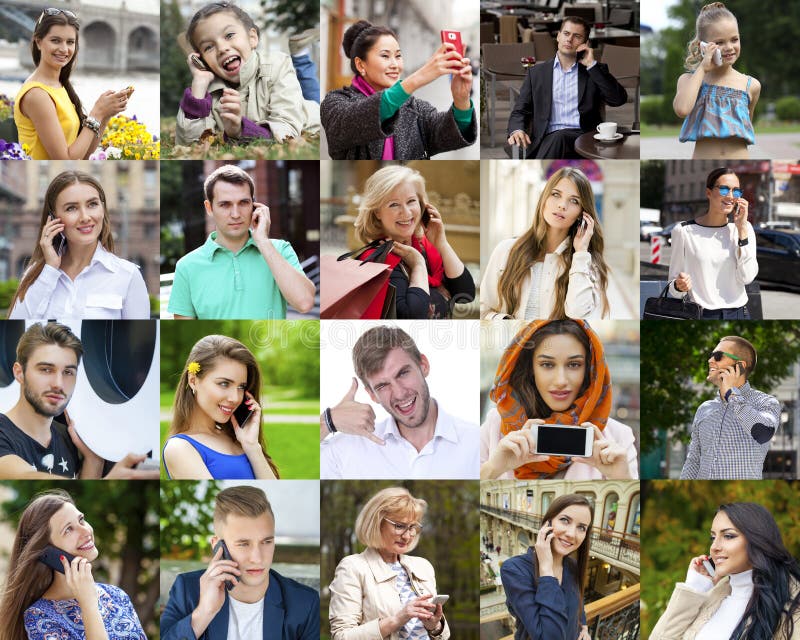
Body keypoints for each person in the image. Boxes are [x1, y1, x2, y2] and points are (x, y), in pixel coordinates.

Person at [480, 320, 638, 480]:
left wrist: (622, 479)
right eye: (547, 364)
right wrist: (493, 469)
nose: (561, 380)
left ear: (589, 369)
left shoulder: (617, 437)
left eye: (574, 364)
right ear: (531, 368)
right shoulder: (495, 426)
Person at [0, 322, 158, 480]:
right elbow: (23, 475)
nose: (58, 384)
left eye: (68, 372)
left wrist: (93, 460)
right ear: (19, 373)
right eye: (46, 370)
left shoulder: (68, 437)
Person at [161, 485, 319, 640]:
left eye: (266, 542)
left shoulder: (304, 604)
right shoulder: (187, 590)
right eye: (243, 544)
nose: (257, 558)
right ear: (218, 546)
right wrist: (204, 612)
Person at [320, 325, 479, 479]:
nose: (400, 393)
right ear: (372, 394)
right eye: (383, 385)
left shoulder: (475, 442)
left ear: (423, 365)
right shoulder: (348, 450)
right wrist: (327, 421)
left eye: (403, 373)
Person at [167, 164, 315, 319]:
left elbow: (304, 303)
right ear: (209, 208)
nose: (236, 214)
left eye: (243, 203)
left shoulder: (280, 249)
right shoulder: (187, 267)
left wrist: (263, 242)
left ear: (254, 206)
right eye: (225, 205)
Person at [0, 489, 146, 640]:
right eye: (68, 529)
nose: (86, 531)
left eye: (81, 520)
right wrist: (88, 604)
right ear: (48, 553)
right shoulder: (40, 617)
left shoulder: (116, 595)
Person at [321, 20, 477, 159]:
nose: (395, 65)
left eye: (398, 56)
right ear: (361, 65)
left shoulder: (415, 108)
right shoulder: (335, 103)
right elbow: (354, 120)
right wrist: (418, 77)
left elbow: (449, 135)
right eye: (385, 56)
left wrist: (461, 99)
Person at [8, 170, 150, 320]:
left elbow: (138, 335)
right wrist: (50, 269)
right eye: (71, 208)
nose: (85, 217)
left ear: (102, 209)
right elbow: (17, 327)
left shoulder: (128, 275)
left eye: (92, 204)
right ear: (54, 218)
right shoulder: (35, 273)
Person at [176, 2, 320, 146]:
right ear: (202, 60)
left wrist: (240, 130)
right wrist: (199, 84)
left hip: (310, 116)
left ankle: (300, 55)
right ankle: (299, 53)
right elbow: (191, 144)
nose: (222, 48)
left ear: (252, 38)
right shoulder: (207, 93)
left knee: (312, 97)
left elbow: (288, 131)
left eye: (229, 35)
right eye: (208, 47)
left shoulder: (277, 64)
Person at [651, 502, 800, 640]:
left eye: (728, 536)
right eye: (713, 537)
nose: (714, 547)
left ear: (758, 540)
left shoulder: (792, 606)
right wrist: (695, 586)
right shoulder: (714, 596)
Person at [481, 166, 610, 320]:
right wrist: (506, 322)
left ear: (582, 214)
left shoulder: (586, 263)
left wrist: (581, 252)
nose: (562, 205)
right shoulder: (506, 250)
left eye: (574, 201)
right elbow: (483, 310)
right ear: (544, 199)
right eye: (556, 194)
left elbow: (577, 313)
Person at [352, 165, 475, 319]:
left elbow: (465, 295)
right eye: (394, 204)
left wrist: (442, 243)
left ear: (422, 205)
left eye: (411, 201)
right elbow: (412, 318)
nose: (406, 212)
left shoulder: (426, 248)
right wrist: (418, 265)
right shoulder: (380, 261)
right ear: (377, 212)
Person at [329, 487, 450, 640]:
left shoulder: (423, 566)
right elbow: (341, 636)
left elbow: (443, 635)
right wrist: (396, 620)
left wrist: (434, 627)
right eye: (399, 526)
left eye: (413, 527)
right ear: (377, 522)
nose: (407, 536)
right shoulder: (352, 567)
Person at [13, 9, 131, 160]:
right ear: (38, 42)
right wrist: (97, 113)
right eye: (55, 40)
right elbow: (66, 160)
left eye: (70, 42)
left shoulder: (59, 85)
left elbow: (84, 154)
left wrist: (105, 115)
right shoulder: (37, 94)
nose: (64, 49)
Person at [506, 16, 627, 159]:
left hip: (584, 138)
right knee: (558, 137)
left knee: (561, 136)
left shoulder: (594, 71)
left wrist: (591, 65)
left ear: (585, 43)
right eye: (566, 33)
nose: (569, 39)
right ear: (558, 36)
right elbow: (520, 110)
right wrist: (517, 130)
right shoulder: (537, 73)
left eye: (577, 36)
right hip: (546, 139)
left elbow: (618, 99)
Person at [162, 334, 279, 479]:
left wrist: (252, 446)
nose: (235, 398)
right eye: (224, 384)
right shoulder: (179, 448)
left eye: (241, 387)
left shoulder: (239, 439)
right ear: (193, 381)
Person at [680, 335, 780, 480]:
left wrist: (731, 394)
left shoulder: (765, 402)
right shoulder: (704, 409)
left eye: (718, 356)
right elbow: (693, 461)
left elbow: (763, 432)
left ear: (740, 366)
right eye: (711, 355)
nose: (710, 360)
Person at [667, 167, 757, 319]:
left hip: (738, 314)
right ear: (708, 193)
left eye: (736, 191)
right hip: (700, 315)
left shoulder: (744, 229)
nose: (730, 196)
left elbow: (747, 278)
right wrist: (679, 286)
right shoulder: (683, 231)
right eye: (724, 189)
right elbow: (673, 287)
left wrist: (742, 230)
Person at [673, 2, 760, 160]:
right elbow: (682, 110)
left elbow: (747, 127)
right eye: (719, 42)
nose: (729, 47)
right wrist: (702, 69)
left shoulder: (751, 85)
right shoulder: (689, 80)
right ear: (703, 46)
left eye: (734, 39)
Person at [500, 494, 593, 640]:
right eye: (565, 520)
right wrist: (546, 570)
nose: (571, 534)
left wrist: (584, 625)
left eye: (581, 527)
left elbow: (578, 600)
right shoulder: (514, 570)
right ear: (547, 523)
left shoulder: (572, 566)